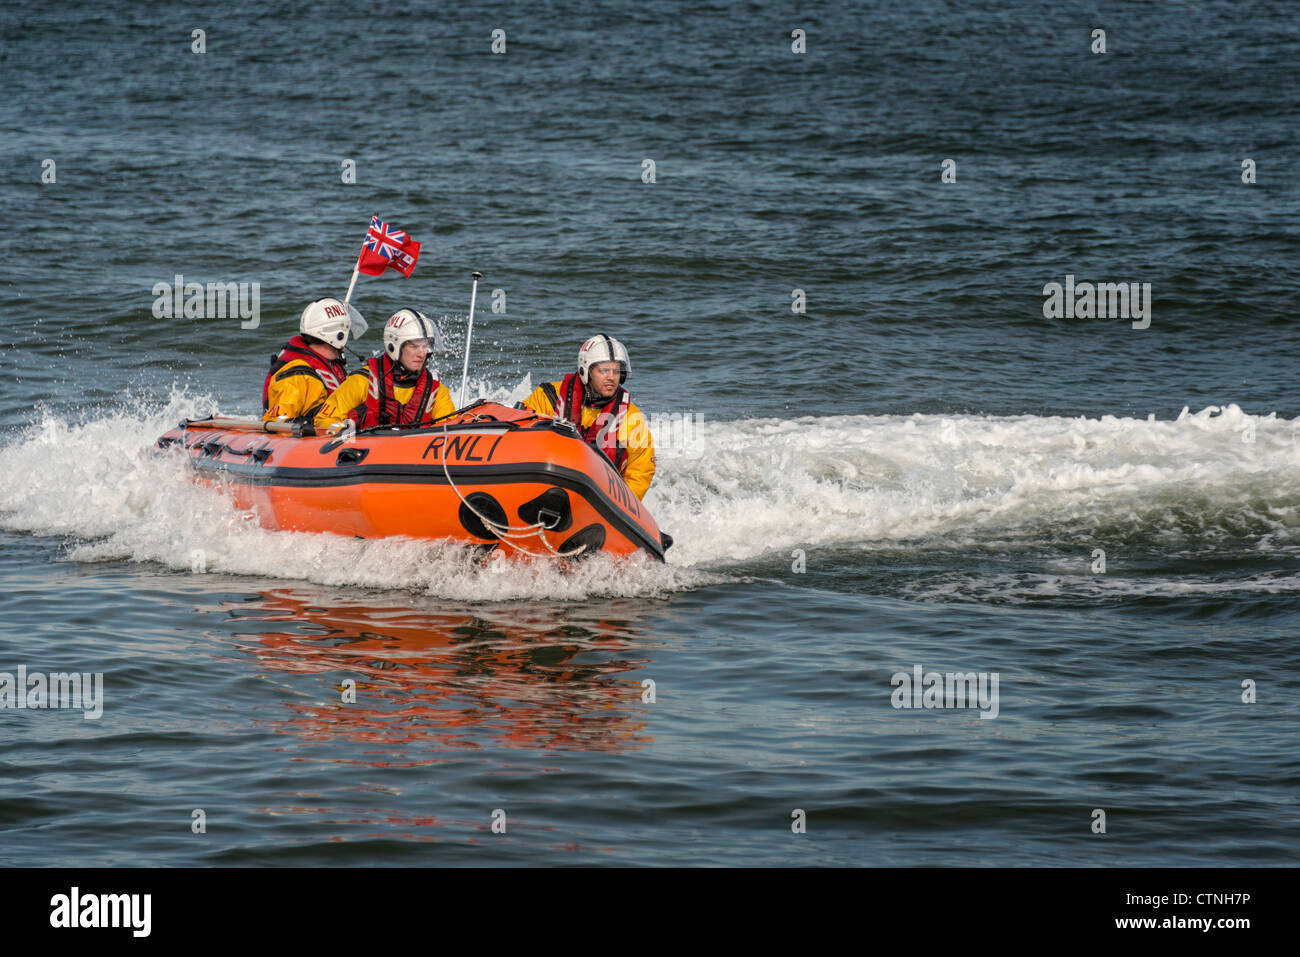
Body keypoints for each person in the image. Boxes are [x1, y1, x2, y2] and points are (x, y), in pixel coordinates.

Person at [522, 335, 655, 499]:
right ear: (586, 371)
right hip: (543, 483)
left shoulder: (632, 418)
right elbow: (520, 435)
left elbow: (640, 471)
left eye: (616, 371)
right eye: (604, 370)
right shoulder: (548, 397)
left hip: (599, 498)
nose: (612, 377)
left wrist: (622, 505)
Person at [315, 308, 455, 431]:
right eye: (414, 346)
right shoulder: (361, 381)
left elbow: (451, 429)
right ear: (393, 346)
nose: (422, 353)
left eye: (425, 346)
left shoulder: (436, 392)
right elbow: (323, 421)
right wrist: (346, 431)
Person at [262, 298, 351, 422]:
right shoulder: (297, 378)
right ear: (338, 336)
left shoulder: (327, 365)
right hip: (313, 437)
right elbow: (277, 425)